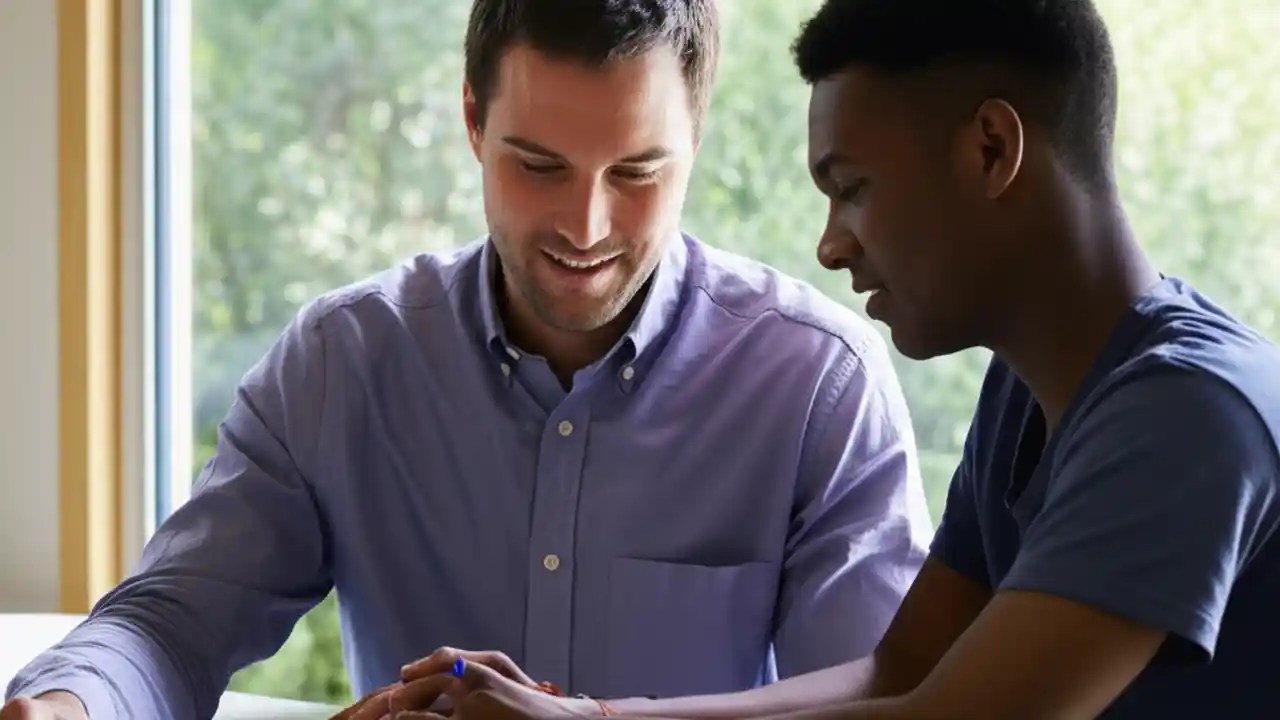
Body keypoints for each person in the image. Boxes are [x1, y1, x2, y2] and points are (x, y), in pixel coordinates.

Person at [0, 2, 933, 719]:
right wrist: (69, 703)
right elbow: (168, 627)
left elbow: (883, 700)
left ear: (697, 138)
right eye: (539, 164)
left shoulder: (817, 387)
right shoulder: (341, 364)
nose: (586, 225)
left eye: (638, 173)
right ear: (473, 123)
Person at [382, 0, 1280, 717]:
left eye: (851, 190)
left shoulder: (1188, 411)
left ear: (991, 149)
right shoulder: (1029, 392)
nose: (829, 246)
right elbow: (899, 671)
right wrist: (592, 716)